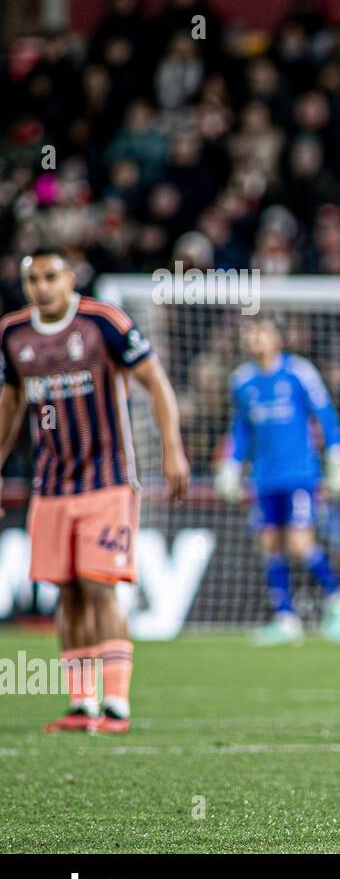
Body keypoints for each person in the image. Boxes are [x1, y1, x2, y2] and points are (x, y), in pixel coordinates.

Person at [0, 246, 190, 733]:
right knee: (66, 593)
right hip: (50, 486)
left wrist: (172, 447)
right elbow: (11, 402)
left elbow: (155, 380)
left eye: (51, 277)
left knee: (99, 586)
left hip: (107, 479)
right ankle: (82, 704)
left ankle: (117, 705)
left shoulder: (103, 321)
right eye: (33, 279)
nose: (42, 287)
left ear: (70, 279)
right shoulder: (13, 334)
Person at [214, 317, 340, 645]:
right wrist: (231, 465)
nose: (255, 340)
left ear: (277, 338)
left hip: (299, 473)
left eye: (261, 333)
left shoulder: (299, 372)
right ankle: (286, 618)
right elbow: (241, 429)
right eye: (250, 335)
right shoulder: (242, 381)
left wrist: (337, 456)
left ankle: (339, 598)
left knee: (299, 543)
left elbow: (325, 415)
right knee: (269, 543)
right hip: (264, 476)